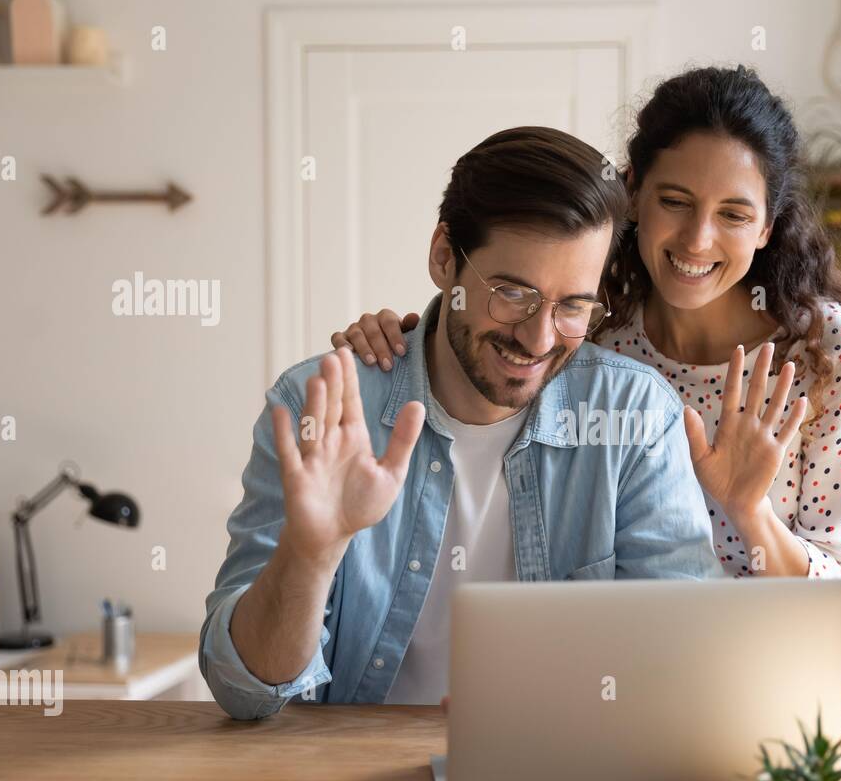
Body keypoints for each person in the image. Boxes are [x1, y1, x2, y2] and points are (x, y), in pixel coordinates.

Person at [331, 67, 841, 715]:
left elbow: (836, 590)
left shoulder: (830, 353)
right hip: (640, 681)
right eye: (674, 200)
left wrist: (751, 511)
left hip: (802, 662)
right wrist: (408, 337)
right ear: (635, 193)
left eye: (733, 214)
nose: (697, 239)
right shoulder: (594, 346)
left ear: (767, 227)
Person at [201, 126, 722, 721]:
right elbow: (242, 692)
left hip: (556, 777)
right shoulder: (320, 406)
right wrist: (310, 554)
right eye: (512, 293)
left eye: (573, 305)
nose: (538, 337)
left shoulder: (634, 419)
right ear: (444, 256)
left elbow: (686, 664)